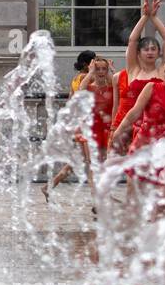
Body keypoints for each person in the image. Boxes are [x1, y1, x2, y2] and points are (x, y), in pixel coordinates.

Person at [110, 55, 165, 216]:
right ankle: (132, 233)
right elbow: (135, 112)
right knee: (135, 201)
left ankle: (159, 234)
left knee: (164, 203)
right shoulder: (153, 87)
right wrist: (118, 131)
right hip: (143, 148)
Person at [46, 55, 115, 205]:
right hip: (90, 128)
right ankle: (97, 196)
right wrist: (91, 73)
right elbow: (77, 94)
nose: (101, 72)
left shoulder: (112, 86)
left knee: (95, 162)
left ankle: (51, 185)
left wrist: (110, 72)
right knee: (91, 163)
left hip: (106, 129)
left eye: (104, 69)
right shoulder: (87, 85)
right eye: (98, 69)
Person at [110, 0, 165, 155]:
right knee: (118, 166)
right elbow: (132, 40)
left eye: (153, 49)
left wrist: (154, 18)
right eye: (146, 49)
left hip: (153, 125)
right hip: (128, 123)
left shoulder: (162, 71)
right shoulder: (133, 70)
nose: (150, 52)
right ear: (138, 53)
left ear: (158, 53)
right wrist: (145, 16)